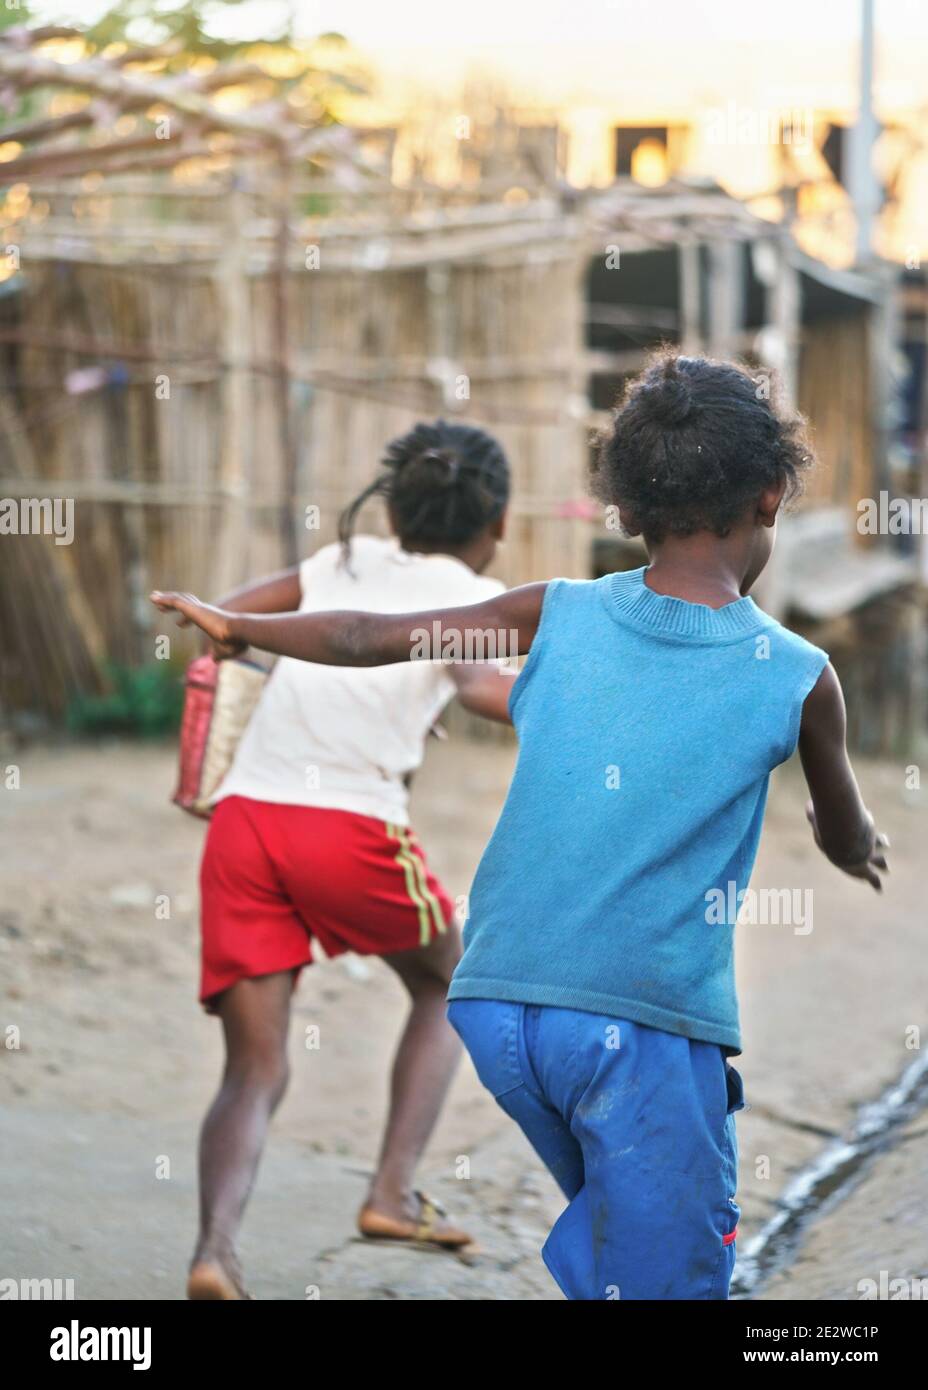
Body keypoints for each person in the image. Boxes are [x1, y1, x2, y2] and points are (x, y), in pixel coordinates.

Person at [153, 352, 889, 1301]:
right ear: (775, 493)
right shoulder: (797, 675)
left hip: (500, 1008)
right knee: (677, 1262)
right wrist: (859, 842)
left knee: (629, 1222)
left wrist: (236, 626)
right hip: (644, 1023)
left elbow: (366, 638)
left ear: (623, 510)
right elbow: (838, 828)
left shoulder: (554, 614)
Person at [167, 420, 514, 1299]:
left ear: (392, 508)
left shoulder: (342, 562)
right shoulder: (474, 596)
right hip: (347, 829)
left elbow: (231, 618)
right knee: (450, 982)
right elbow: (481, 692)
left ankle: (215, 1253)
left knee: (254, 1067)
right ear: (496, 526)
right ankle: (391, 1193)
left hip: (245, 823)